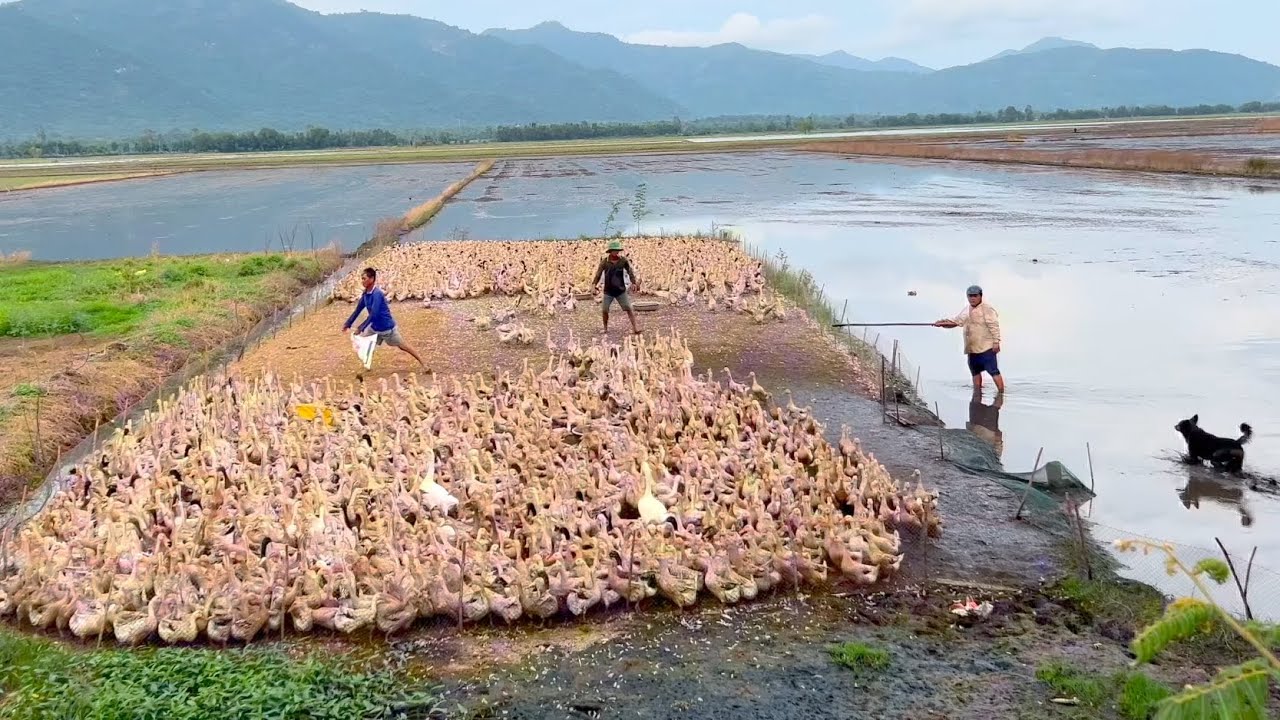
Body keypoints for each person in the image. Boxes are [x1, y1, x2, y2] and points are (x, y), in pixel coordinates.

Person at [341, 267, 428, 370]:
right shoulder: (365, 295)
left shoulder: (377, 294)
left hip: (386, 327)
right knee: (364, 342)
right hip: (374, 327)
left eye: (364, 278)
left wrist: (361, 327)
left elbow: (374, 314)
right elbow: (357, 310)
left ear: (372, 279)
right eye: (362, 278)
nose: (362, 281)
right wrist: (348, 324)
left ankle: (423, 364)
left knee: (402, 346)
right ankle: (367, 365)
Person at [934, 284, 1004, 391]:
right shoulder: (967, 309)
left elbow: (994, 326)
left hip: (986, 347)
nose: (972, 298)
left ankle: (1001, 393)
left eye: (975, 296)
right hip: (972, 348)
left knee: (993, 371)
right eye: (970, 296)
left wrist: (996, 342)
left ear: (980, 296)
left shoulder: (987, 309)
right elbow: (957, 321)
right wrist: (942, 323)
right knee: (975, 371)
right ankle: (977, 392)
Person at [592, 239, 641, 335]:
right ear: (610, 251)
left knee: (628, 308)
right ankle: (605, 328)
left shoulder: (623, 261)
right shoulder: (604, 262)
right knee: (604, 310)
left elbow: (630, 271)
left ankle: (635, 327)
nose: (616, 252)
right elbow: (598, 274)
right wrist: (594, 285)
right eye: (614, 250)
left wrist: (634, 282)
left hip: (620, 290)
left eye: (617, 250)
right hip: (608, 291)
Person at [966, 388, 1004, 459]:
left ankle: (1000, 393)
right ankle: (1001, 393)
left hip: (978, 428)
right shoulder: (993, 458)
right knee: (994, 407)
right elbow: (998, 447)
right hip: (986, 430)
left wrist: (998, 439)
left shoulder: (970, 455)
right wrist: (998, 439)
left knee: (977, 400)